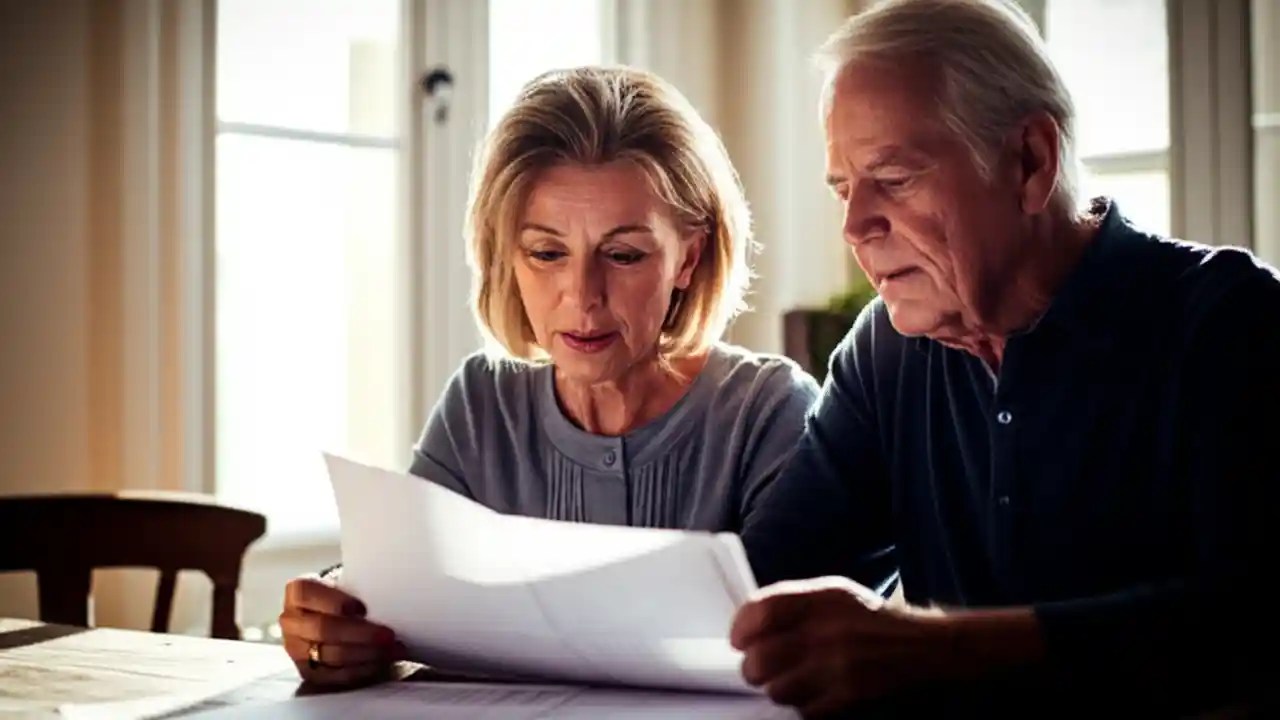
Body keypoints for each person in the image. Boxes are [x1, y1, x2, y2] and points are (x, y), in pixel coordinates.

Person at [732, 0, 1280, 716]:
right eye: (843, 188)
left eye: (892, 179)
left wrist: (938, 650)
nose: (854, 225)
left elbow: (1256, 621)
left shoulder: (1228, 321)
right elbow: (764, 580)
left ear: (1030, 161)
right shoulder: (885, 349)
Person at [278, 66, 821, 687]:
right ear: (508, 254)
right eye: (546, 253)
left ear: (687, 259)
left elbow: (802, 658)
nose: (582, 297)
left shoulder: (767, 413)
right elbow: (396, 602)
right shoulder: (482, 404)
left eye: (622, 255)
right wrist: (335, 627)